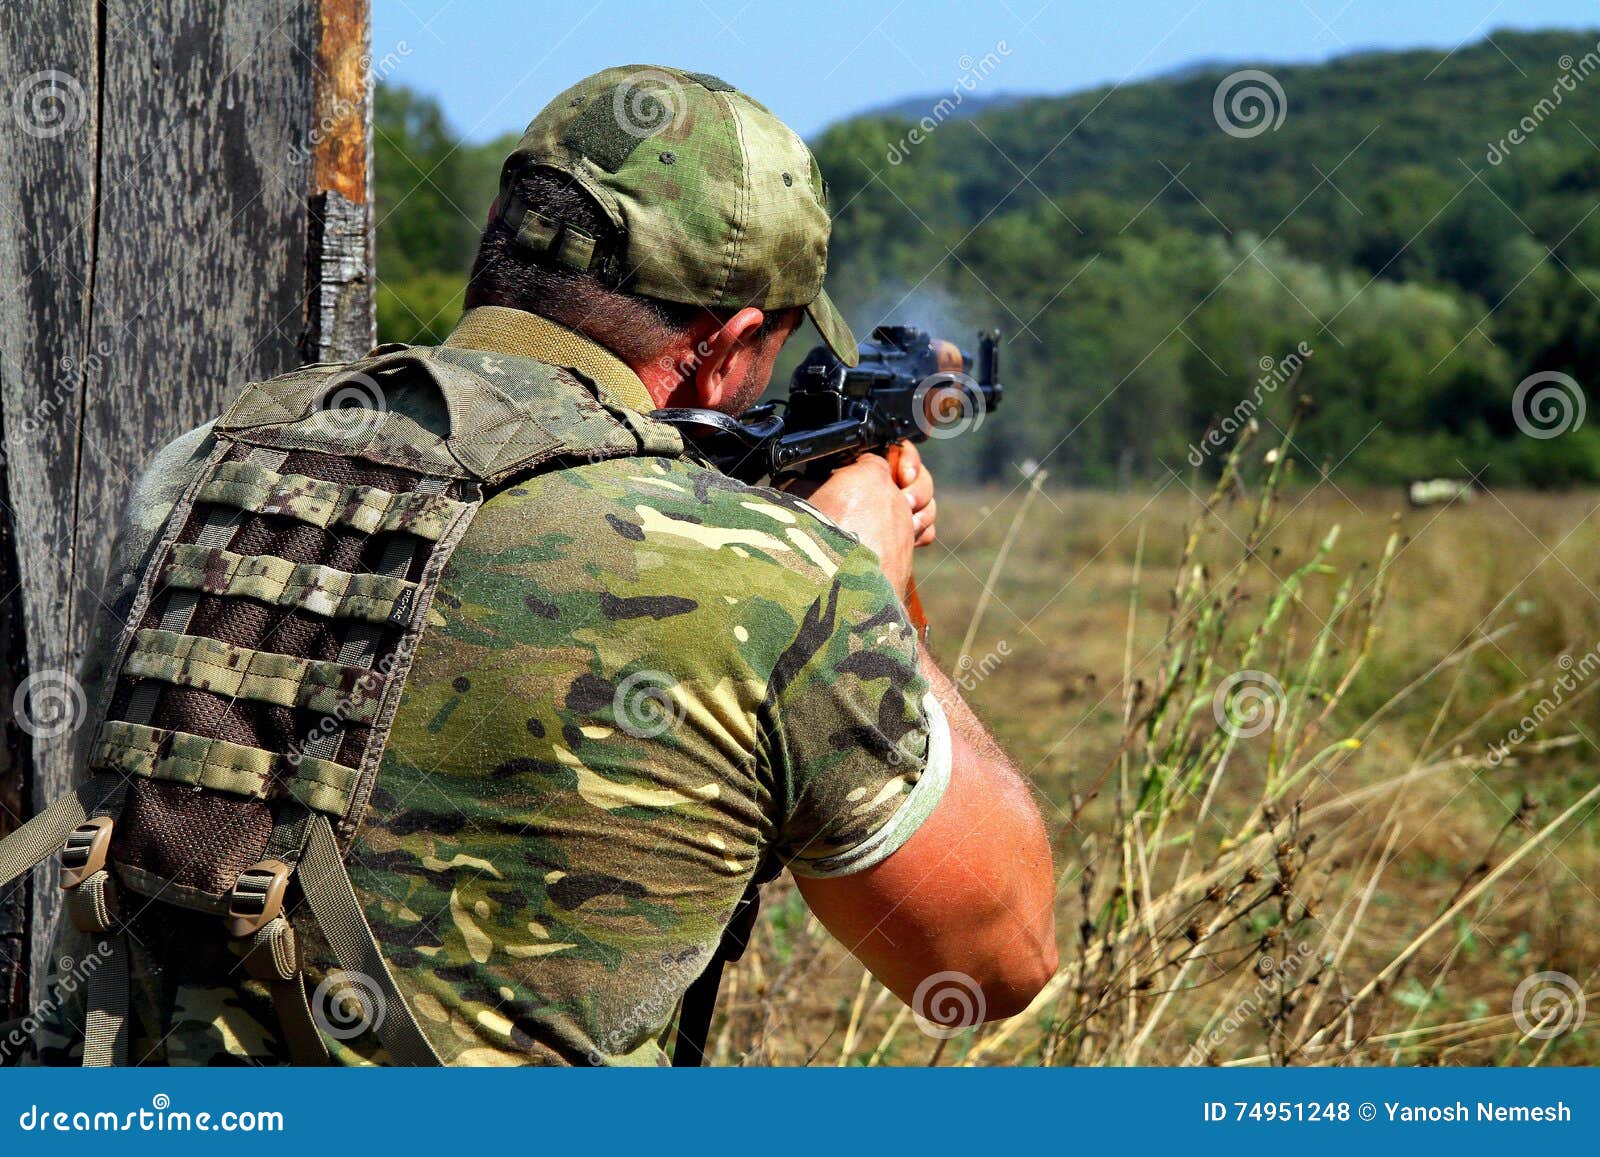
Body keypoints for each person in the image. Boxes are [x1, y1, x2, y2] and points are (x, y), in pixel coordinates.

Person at [21, 65, 1055, 1066]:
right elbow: (991, 958)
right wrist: (853, 583)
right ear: (728, 342)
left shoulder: (200, 467)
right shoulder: (777, 582)